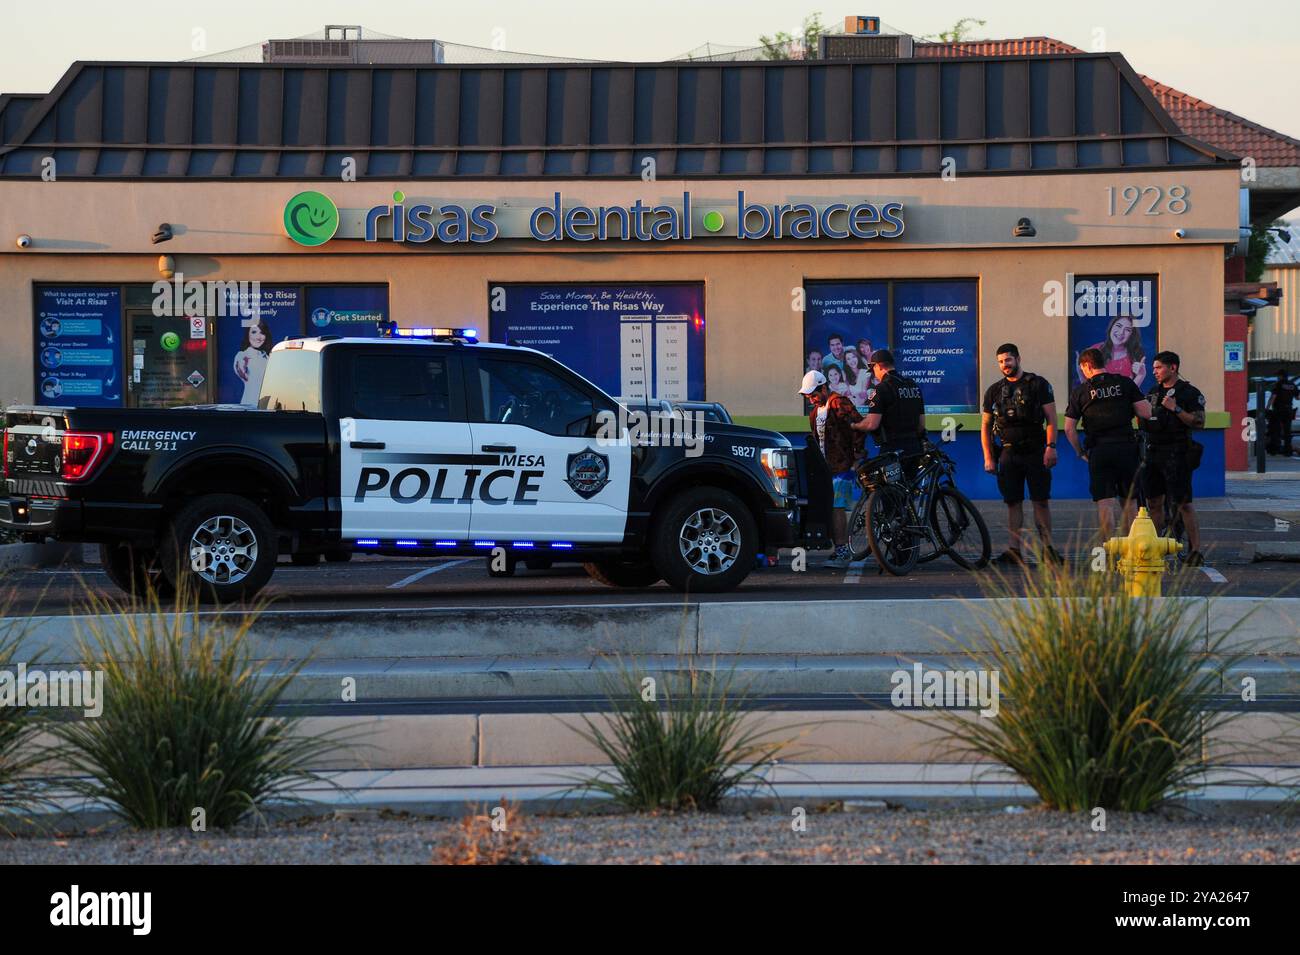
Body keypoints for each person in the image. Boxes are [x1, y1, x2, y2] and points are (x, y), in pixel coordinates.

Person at [980, 343, 1061, 566]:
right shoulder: (994, 391)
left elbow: (1052, 419)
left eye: (1008, 360)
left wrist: (1051, 446)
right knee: (1012, 503)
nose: (1004, 365)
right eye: (1000, 362)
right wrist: (988, 456)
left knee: (1040, 501)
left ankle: (1048, 550)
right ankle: (1014, 552)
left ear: (1017, 359)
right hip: (1008, 453)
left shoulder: (1038, 384)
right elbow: (985, 426)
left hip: (1036, 451)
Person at [1064, 347, 1153, 541]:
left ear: (1087, 366)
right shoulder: (1124, 383)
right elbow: (1146, 413)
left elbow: (1069, 428)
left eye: (1083, 369)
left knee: (1105, 503)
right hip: (1126, 448)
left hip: (1099, 450)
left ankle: (1110, 552)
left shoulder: (1081, 391)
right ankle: (1132, 551)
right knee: (1129, 501)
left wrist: (1080, 452)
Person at [1142, 350, 1205, 564]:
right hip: (1153, 451)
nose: (1155, 372)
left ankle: (1195, 550)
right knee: (1154, 502)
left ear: (1173, 367)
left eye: (1159, 367)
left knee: (1183, 503)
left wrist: (1175, 408)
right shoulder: (1152, 392)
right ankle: (1158, 547)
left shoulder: (1188, 392)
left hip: (1177, 452)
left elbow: (1198, 421)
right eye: (1153, 368)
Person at [799, 369, 865, 568]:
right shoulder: (814, 413)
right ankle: (837, 547)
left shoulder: (838, 403)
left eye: (814, 394)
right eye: (808, 396)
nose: (811, 399)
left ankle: (842, 551)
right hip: (826, 468)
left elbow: (859, 426)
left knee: (836, 507)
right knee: (829, 507)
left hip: (842, 466)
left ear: (824, 387)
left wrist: (857, 457)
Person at [852, 349, 926, 457]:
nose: (874, 374)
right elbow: (922, 425)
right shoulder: (913, 386)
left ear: (878, 366)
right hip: (914, 448)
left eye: (873, 370)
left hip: (893, 449)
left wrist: (854, 426)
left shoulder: (881, 389)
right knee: (911, 474)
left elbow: (871, 424)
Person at [1081, 315, 1146, 388]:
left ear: (1132, 334)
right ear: (1111, 326)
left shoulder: (1136, 355)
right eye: (1118, 326)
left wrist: (1141, 375)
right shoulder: (1095, 349)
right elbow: (1084, 385)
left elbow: (1132, 394)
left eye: (1127, 330)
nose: (1121, 332)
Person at [234, 318, 272, 405]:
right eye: (254, 332)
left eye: (262, 333)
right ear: (248, 335)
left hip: (268, 406)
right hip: (250, 405)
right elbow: (243, 373)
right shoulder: (242, 355)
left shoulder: (267, 356)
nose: (258, 337)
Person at [1266, 370, 1297, 456]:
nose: (1277, 377)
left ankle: (1274, 449)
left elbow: (1273, 397)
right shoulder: (1292, 385)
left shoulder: (1278, 385)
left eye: (1278, 376)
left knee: (1276, 430)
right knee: (1287, 431)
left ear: (1281, 376)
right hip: (1288, 410)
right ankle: (1288, 450)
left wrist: (1267, 408)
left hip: (1278, 410)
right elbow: (1298, 397)